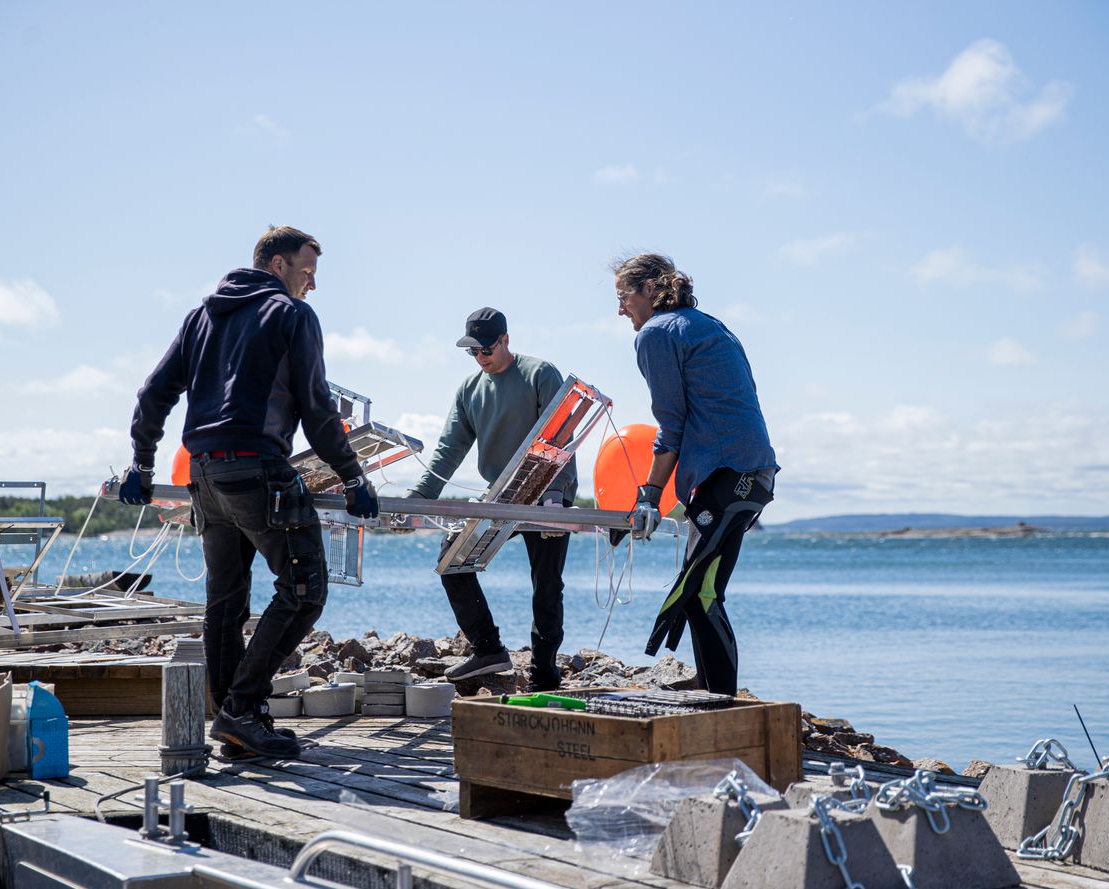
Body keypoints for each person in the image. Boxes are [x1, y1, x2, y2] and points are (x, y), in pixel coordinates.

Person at [120, 225, 379, 759]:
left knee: (226, 600)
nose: (312, 285)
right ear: (278, 265)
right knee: (305, 589)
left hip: (204, 477)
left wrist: (142, 465)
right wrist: (353, 477)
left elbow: (152, 394)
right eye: (307, 271)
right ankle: (241, 709)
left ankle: (237, 722)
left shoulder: (201, 316)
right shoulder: (291, 315)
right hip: (257, 470)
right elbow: (317, 409)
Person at [614, 253, 778, 696]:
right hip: (753, 474)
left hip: (726, 475)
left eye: (623, 296)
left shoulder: (656, 332)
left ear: (650, 289)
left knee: (700, 596)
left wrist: (649, 495)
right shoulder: (709, 324)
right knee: (701, 596)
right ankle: (715, 700)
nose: (620, 309)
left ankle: (721, 708)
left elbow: (672, 425)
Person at [405, 308, 576, 691]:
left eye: (486, 349)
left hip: (549, 491)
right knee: (452, 561)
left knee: (547, 586)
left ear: (505, 340)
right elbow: (449, 448)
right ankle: (488, 649)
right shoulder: (470, 390)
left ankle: (544, 677)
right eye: (473, 352)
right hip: (501, 494)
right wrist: (420, 496)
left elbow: (560, 436)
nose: (480, 357)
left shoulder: (539, 373)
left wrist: (553, 497)